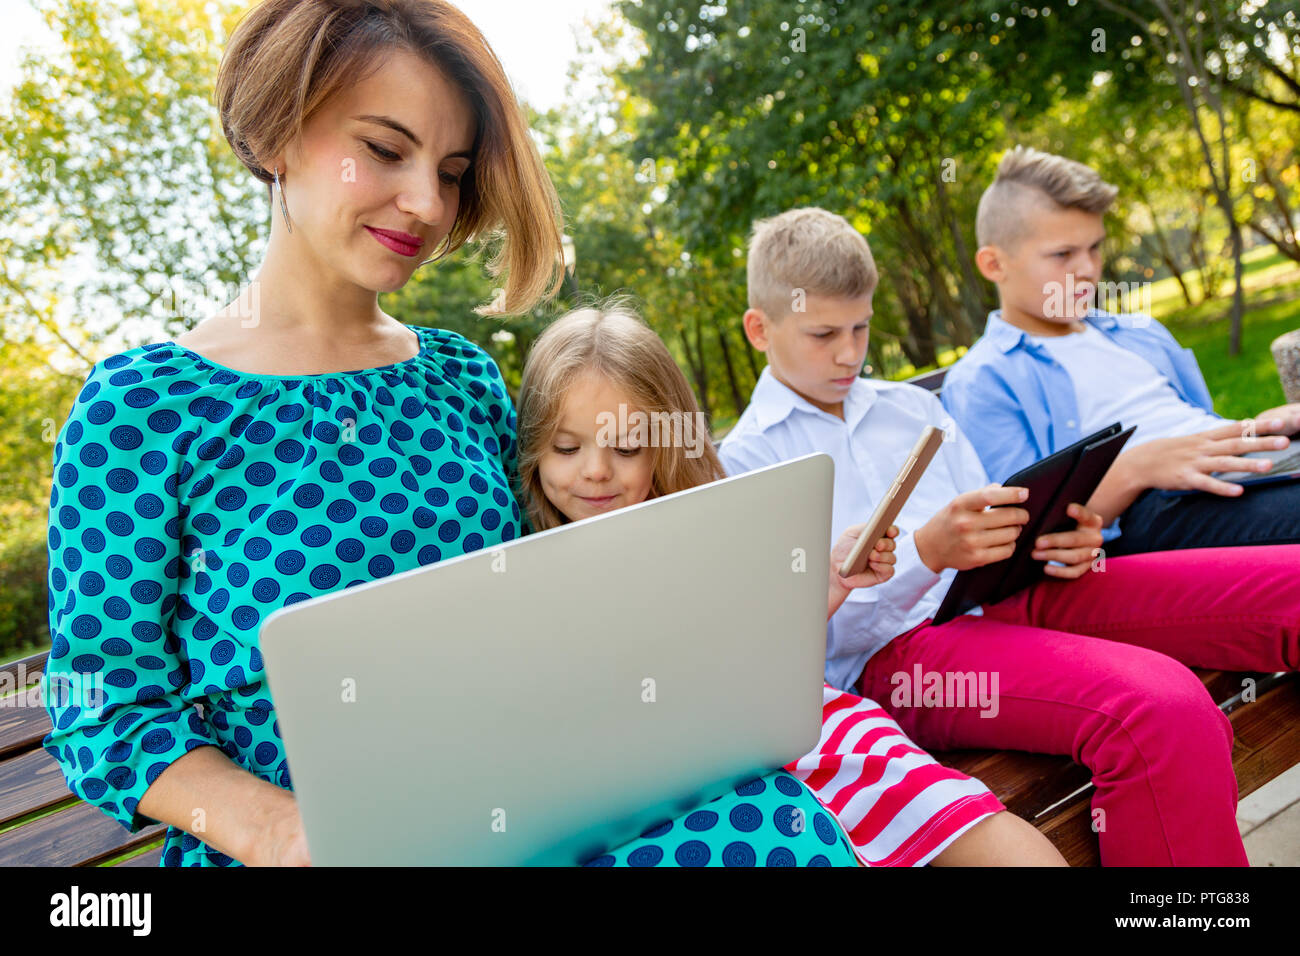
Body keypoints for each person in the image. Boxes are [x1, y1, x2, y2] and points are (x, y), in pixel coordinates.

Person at [47, 0, 597, 867]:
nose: (426, 202)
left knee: (760, 817)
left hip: (510, 812)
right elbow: (104, 710)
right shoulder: (141, 409)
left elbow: (532, 617)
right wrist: (283, 831)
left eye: (452, 171)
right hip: (317, 852)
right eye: (383, 149)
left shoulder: (462, 379)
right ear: (273, 137)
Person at [716, 206, 1300, 865]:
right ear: (759, 330)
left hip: (1014, 593)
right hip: (900, 660)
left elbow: (992, 510)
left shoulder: (910, 408)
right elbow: (781, 644)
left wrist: (1064, 534)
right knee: (1161, 710)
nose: (850, 353)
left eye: (860, 326)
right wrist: (925, 553)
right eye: (823, 333)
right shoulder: (744, 462)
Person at [516, 302, 1066, 866]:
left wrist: (833, 579)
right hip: (679, 765)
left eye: (627, 447)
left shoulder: (706, 520)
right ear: (533, 448)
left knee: (958, 818)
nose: (595, 470)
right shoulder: (529, 562)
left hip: (792, 720)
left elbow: (766, 633)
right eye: (566, 447)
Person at [939, 145, 1300, 555]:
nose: (1088, 269)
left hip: (1228, 470)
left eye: (1094, 247)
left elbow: (1188, 427)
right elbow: (1026, 536)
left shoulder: (1136, 332)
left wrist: (1252, 428)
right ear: (993, 265)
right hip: (1149, 512)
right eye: (1063, 254)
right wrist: (1136, 468)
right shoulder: (983, 380)